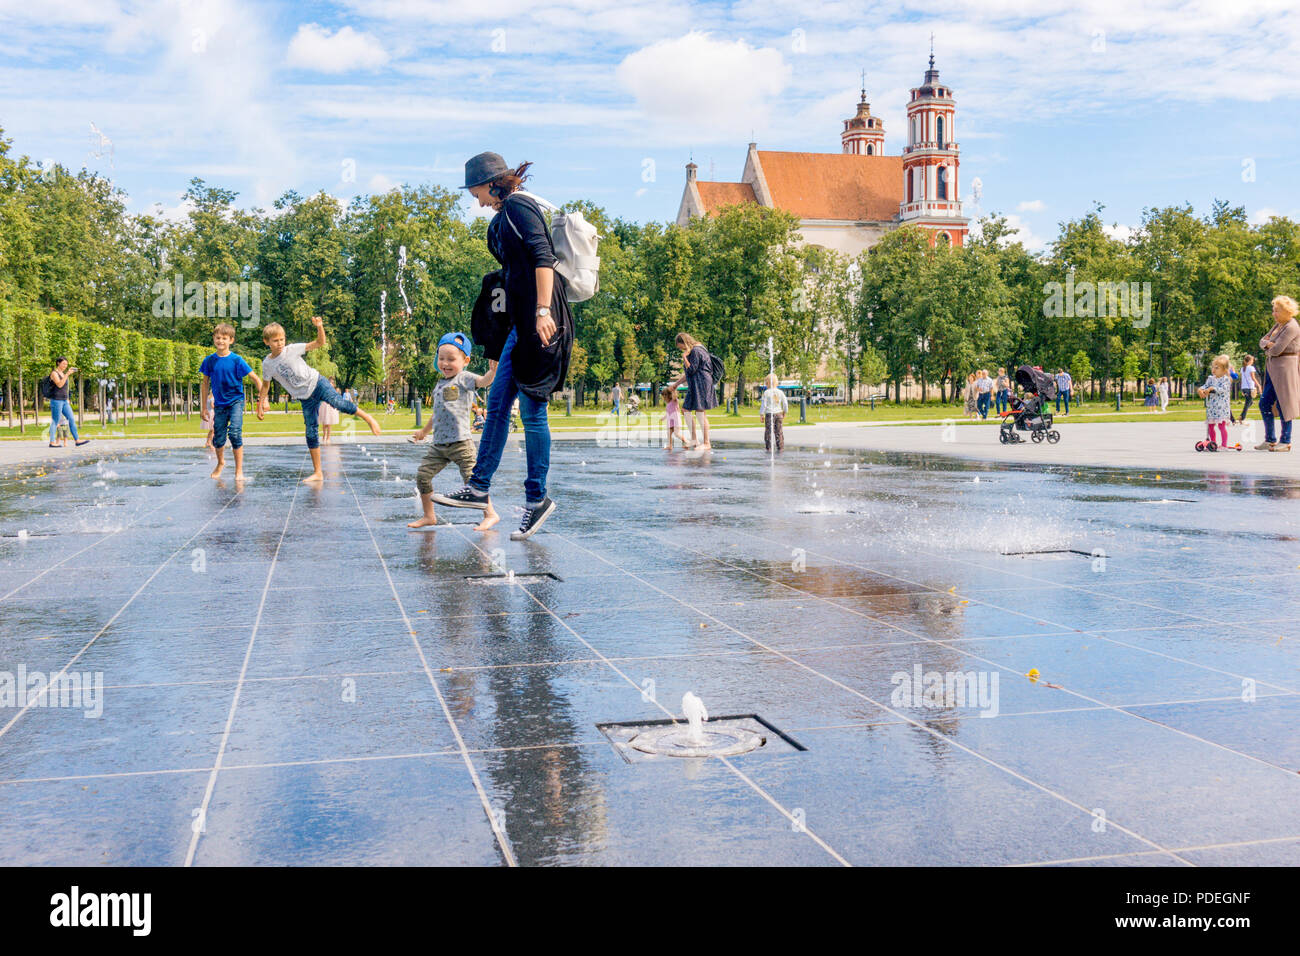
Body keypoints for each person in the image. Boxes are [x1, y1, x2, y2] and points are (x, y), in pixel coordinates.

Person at [435, 152, 573, 540]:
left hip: (543, 320)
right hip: (520, 325)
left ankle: (536, 500)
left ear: (492, 183)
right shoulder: (501, 218)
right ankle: (478, 487)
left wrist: (543, 311)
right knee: (496, 404)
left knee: (532, 411)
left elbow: (543, 260)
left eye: (475, 189)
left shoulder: (520, 207)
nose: (475, 199)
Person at [256, 316, 382, 482]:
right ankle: (318, 472)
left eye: (282, 339)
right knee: (311, 432)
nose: (280, 343)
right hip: (305, 397)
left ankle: (368, 418)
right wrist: (260, 405)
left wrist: (320, 326)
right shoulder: (267, 364)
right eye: (275, 341)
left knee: (338, 403)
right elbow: (265, 385)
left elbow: (319, 343)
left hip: (317, 383)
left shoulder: (292, 349)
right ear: (267, 342)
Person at [409, 332, 499, 532]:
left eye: (451, 359)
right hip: (439, 445)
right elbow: (437, 413)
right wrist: (424, 431)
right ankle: (429, 515)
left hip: (461, 443)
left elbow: (483, 381)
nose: (445, 363)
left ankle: (490, 514)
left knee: (472, 480)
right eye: (441, 358)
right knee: (423, 475)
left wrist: (492, 372)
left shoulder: (464, 378)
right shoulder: (440, 384)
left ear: (465, 360)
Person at [200, 323, 264, 481]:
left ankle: (239, 470)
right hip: (219, 404)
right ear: (214, 339)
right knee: (218, 438)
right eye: (218, 338)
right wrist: (203, 407)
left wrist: (264, 400)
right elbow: (205, 384)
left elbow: (256, 379)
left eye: (224, 338)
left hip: (236, 401)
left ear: (231, 340)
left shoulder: (237, 360)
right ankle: (220, 463)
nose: (220, 341)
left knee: (235, 433)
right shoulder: (209, 361)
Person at [1257, 295, 1300, 452]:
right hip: (1272, 368)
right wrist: (1268, 344)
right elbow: (1262, 341)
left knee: (1284, 404)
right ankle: (1270, 439)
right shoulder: (1278, 325)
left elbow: (1277, 349)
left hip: (1285, 368)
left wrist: (1268, 345)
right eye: (1273, 310)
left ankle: (1285, 440)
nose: (1274, 314)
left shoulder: (1291, 326)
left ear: (1287, 311)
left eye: (1277, 311)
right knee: (1264, 403)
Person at [669, 332, 717, 450]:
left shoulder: (696, 351)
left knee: (700, 413)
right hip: (695, 384)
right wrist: (676, 384)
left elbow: (691, 369)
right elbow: (689, 373)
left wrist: (684, 357)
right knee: (686, 410)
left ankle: (706, 443)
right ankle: (694, 440)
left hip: (702, 384)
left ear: (685, 342)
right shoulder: (695, 351)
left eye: (682, 347)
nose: (682, 350)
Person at [45, 358, 89, 448]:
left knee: (71, 419)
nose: (65, 366)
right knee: (55, 421)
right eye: (63, 364)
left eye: (66, 364)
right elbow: (60, 384)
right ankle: (52, 442)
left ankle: (77, 440)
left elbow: (65, 388)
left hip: (64, 400)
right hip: (56, 400)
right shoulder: (54, 373)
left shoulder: (63, 374)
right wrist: (67, 374)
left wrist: (67, 398)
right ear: (58, 363)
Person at [1196, 355, 1233, 449]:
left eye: (1217, 368)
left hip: (1222, 408)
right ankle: (1213, 443)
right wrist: (1200, 389)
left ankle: (1224, 444)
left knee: (1221, 426)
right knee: (1211, 426)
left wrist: (1213, 389)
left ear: (1224, 370)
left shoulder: (1226, 380)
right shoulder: (1211, 379)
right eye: (1213, 367)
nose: (1214, 369)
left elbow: (1223, 389)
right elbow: (1205, 386)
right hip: (1212, 408)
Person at [759, 373, 788, 452]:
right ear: (777, 383)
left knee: (768, 431)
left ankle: (768, 448)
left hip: (769, 414)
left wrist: (761, 414)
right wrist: (784, 412)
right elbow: (785, 403)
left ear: (768, 383)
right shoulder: (780, 392)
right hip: (779, 414)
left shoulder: (766, 392)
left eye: (766, 383)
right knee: (779, 431)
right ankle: (780, 447)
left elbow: (763, 405)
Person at [318, 377, 341, 444]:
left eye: (332, 382)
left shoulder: (334, 390)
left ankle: (328, 437)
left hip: (330, 406)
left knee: (329, 423)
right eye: (330, 382)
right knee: (324, 422)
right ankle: (324, 435)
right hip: (324, 405)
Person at [1239, 355, 1259, 421]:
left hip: (1244, 387)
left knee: (1250, 402)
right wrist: (1258, 385)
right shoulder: (1251, 368)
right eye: (1252, 360)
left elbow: (1242, 379)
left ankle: (1242, 416)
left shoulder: (1242, 368)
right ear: (1250, 361)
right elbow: (1253, 378)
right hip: (1249, 387)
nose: (1253, 361)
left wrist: (1241, 389)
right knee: (1248, 403)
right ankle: (1242, 417)